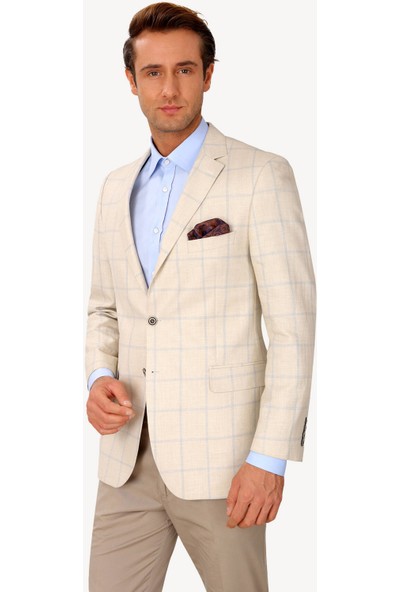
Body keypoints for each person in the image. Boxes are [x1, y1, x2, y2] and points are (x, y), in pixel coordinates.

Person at [85, 3, 316, 591]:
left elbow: (292, 328)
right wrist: (98, 377)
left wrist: (268, 457)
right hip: (127, 458)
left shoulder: (261, 175)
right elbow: (105, 307)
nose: (169, 89)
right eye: (154, 72)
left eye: (185, 70)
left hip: (225, 462)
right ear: (132, 81)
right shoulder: (114, 188)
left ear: (208, 75)